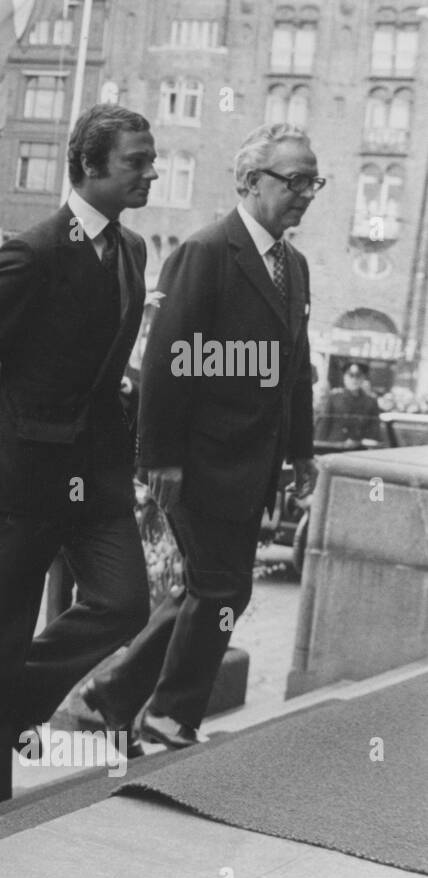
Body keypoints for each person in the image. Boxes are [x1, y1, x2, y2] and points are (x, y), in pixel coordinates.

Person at [0, 104, 157, 818]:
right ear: (90, 165)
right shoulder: (30, 252)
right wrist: (18, 424)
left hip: (96, 472)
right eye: (136, 161)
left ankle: (5, 713)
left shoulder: (133, 251)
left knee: (124, 601)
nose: (150, 172)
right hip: (20, 473)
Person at [82, 123, 320, 750]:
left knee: (208, 586)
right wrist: (160, 457)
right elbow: (168, 359)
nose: (305, 193)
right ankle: (167, 714)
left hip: (255, 464)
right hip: (198, 460)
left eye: (312, 182)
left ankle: (108, 699)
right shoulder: (208, 251)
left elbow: (297, 370)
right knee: (221, 586)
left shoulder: (292, 266)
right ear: (248, 181)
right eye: (292, 180)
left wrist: (301, 450)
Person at [315, 362, 384, 446]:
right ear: (344, 378)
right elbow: (324, 425)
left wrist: (372, 442)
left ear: (363, 378)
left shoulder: (370, 401)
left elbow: (374, 428)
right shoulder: (334, 397)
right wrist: (318, 444)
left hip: (358, 448)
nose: (354, 380)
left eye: (358, 376)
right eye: (350, 376)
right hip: (335, 445)